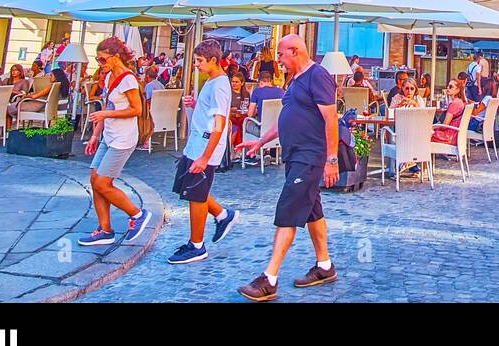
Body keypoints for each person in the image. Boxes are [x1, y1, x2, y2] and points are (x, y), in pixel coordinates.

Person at [237, 33, 339, 301]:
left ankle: (269, 278)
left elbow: (330, 119)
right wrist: (261, 141)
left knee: (288, 209)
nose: (278, 61)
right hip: (294, 155)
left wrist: (331, 159)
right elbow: (286, 118)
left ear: (295, 51)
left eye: (281, 55)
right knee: (312, 210)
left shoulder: (317, 75)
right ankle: (325, 266)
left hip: (310, 156)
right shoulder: (294, 81)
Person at [167, 40, 239, 264]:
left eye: (199, 61)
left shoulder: (219, 85)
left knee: (195, 195)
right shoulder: (212, 81)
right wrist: (194, 105)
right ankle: (223, 215)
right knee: (188, 189)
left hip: (204, 148)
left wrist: (206, 157)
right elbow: (210, 113)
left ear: (213, 61)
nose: (196, 65)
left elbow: (219, 123)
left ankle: (197, 245)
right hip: (196, 144)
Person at [77, 38, 153, 247]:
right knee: (95, 180)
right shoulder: (109, 75)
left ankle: (137, 215)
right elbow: (107, 106)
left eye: (102, 59)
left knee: (103, 183)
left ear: (115, 56)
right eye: (97, 59)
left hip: (123, 138)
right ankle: (105, 229)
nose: (100, 63)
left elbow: (136, 109)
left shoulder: (128, 79)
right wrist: (95, 135)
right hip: (108, 136)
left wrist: (106, 113)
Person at [431, 78, 469, 144]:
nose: (448, 88)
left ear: (457, 90)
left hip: (448, 137)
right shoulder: (460, 102)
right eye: (448, 86)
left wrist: (433, 128)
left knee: (424, 134)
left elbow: (445, 125)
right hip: (455, 135)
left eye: (451, 87)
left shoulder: (454, 104)